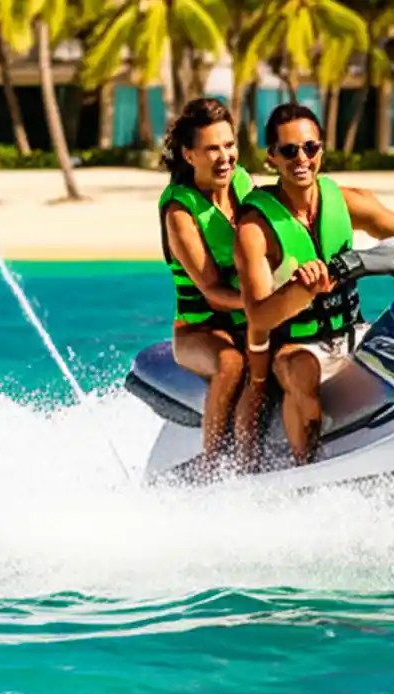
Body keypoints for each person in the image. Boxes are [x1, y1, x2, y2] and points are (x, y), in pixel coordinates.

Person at [232, 102, 394, 469]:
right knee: (301, 369)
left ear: (321, 148)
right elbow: (258, 314)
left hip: (355, 334)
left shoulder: (345, 200)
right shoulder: (255, 229)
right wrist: (299, 291)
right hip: (293, 348)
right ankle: (306, 473)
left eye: (310, 148)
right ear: (271, 156)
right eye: (288, 151)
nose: (301, 158)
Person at [158, 97, 253, 463]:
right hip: (198, 330)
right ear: (189, 154)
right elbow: (212, 291)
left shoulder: (243, 184)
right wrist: (264, 301)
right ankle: (215, 465)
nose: (224, 157)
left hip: (248, 320)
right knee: (232, 363)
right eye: (212, 149)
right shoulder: (181, 210)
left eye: (229, 145)